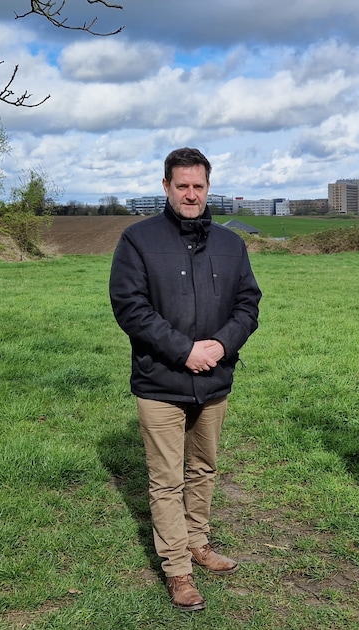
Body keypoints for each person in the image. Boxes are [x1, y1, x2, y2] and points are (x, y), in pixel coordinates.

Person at [109, 147, 262, 612]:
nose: (191, 194)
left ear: (208, 187)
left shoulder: (231, 243)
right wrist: (184, 350)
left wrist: (220, 345)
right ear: (166, 187)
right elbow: (130, 307)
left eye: (198, 186)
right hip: (160, 382)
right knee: (166, 480)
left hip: (215, 379)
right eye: (182, 186)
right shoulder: (137, 240)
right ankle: (177, 569)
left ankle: (198, 541)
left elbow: (248, 304)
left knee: (203, 469)